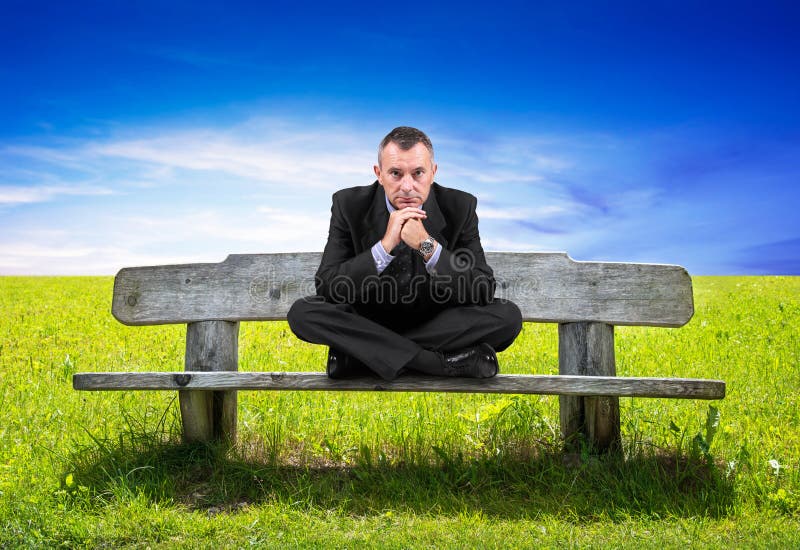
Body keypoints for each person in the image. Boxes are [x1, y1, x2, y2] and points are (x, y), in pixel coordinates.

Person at [288, 126, 522, 381]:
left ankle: (361, 358)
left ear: (433, 172)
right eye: (396, 174)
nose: (407, 186)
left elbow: (481, 289)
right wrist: (384, 247)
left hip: (435, 324)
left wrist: (426, 245)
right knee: (303, 313)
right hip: (369, 321)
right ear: (379, 174)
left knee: (508, 317)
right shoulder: (348, 205)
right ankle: (437, 363)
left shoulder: (460, 206)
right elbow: (328, 287)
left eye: (418, 173)